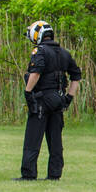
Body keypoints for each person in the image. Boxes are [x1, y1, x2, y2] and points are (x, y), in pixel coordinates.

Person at [15, 19, 82, 181]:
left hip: (41, 100)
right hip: (58, 100)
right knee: (55, 140)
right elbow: (76, 76)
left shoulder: (40, 52)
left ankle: (29, 174)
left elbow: (36, 73)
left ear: (37, 35)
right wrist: (69, 97)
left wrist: (28, 92)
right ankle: (55, 174)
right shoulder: (64, 53)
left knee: (32, 138)